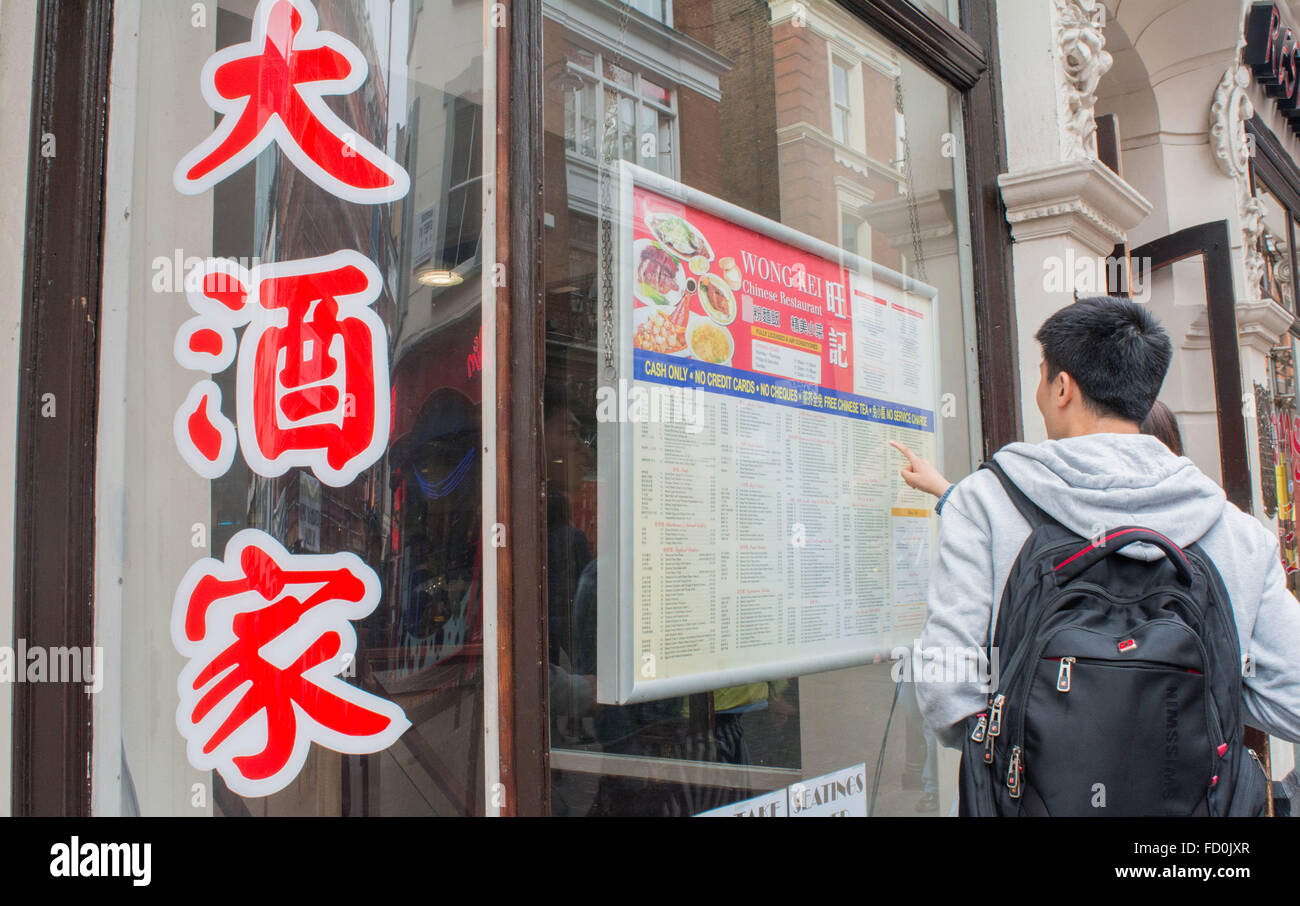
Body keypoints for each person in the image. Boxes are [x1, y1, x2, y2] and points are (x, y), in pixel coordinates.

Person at [904, 296, 1300, 770]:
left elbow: (947, 692)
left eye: (1041, 374)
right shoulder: (1238, 534)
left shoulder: (986, 502)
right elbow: (1293, 700)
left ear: (1062, 387)